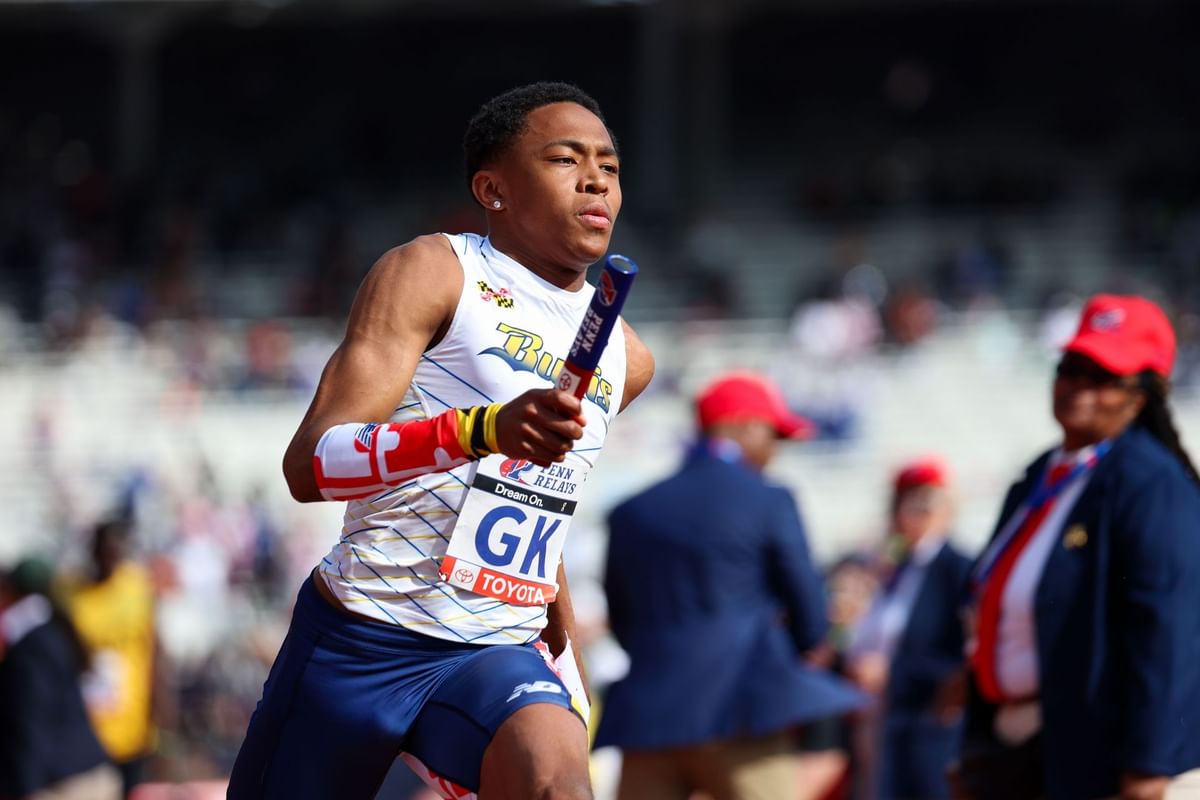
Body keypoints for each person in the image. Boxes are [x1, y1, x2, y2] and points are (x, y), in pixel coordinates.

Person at [227, 82, 654, 800]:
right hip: (361, 635)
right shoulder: (435, 272)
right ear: (493, 189)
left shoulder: (627, 357)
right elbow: (310, 465)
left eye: (609, 166)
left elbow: (538, 510)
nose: (596, 181)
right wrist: (482, 429)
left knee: (559, 787)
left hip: (495, 652)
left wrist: (569, 666)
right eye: (565, 159)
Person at [957, 295, 1200, 800]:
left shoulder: (1151, 483)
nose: (1079, 387)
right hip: (1021, 744)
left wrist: (1148, 763)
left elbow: (1166, 629)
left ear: (1142, 396)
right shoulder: (1039, 476)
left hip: (1098, 757)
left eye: (1104, 376)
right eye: (1070, 368)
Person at [596, 372, 864, 800]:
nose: (775, 450)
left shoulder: (633, 512)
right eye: (773, 435)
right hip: (742, 715)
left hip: (650, 721)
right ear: (743, 427)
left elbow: (622, 621)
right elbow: (811, 619)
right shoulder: (769, 499)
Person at [846, 457, 971, 800]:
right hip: (883, 716)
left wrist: (893, 671)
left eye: (929, 502)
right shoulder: (891, 567)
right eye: (911, 501)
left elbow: (960, 653)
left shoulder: (956, 569)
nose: (920, 512)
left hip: (928, 719)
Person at [0, 558, 122, 800]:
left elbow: (30, 723)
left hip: (62, 784)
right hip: (89, 774)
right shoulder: (54, 633)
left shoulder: (30, 647)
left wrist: (25, 787)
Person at [62, 519, 158, 799]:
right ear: (93, 551)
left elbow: (156, 651)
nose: (110, 557)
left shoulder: (137, 587)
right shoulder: (72, 593)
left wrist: (161, 712)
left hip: (131, 722)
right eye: (104, 550)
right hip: (87, 725)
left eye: (116, 550)